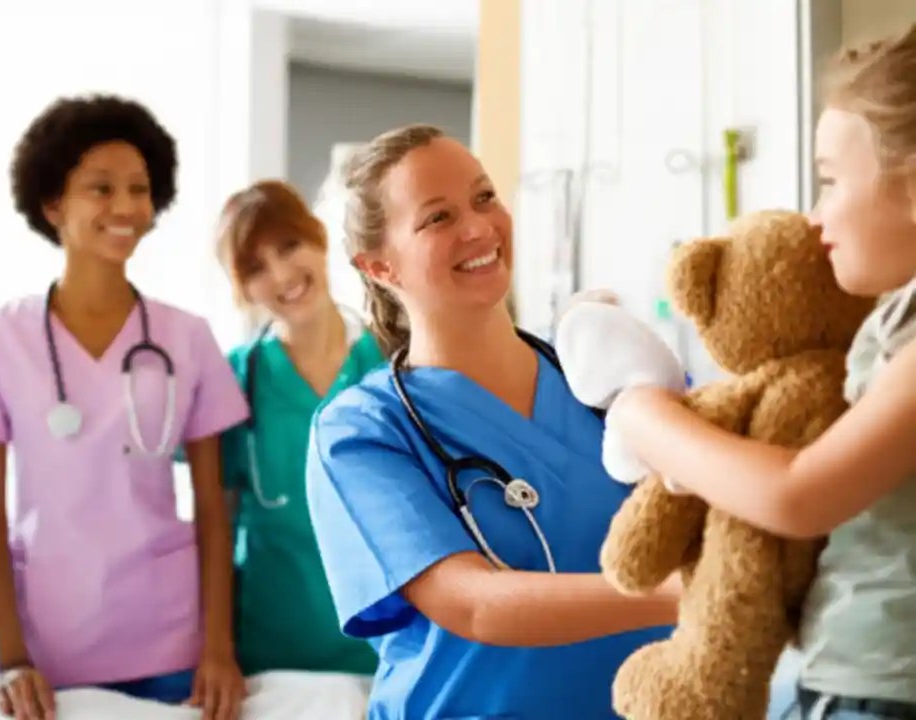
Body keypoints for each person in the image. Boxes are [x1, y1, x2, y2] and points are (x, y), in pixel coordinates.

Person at [303, 124, 680, 720]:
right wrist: (685, 594)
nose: (478, 228)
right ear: (379, 267)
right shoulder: (363, 432)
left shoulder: (599, 376)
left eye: (484, 198)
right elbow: (474, 604)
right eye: (437, 218)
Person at [602, 26, 916, 720]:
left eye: (831, 181)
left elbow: (799, 495)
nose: (815, 216)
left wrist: (645, 418)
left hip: (883, 687)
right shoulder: (893, 321)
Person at [0, 94, 249, 720]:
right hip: (48, 647)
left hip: (169, 641)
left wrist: (218, 647)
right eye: (100, 188)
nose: (126, 207)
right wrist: (11, 656)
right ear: (53, 204)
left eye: (139, 189)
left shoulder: (186, 337)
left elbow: (216, 508)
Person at [214, 180, 382, 679]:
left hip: (380, 650)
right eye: (256, 268)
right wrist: (217, 651)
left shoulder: (391, 364)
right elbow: (217, 532)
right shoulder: (235, 380)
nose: (282, 274)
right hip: (269, 656)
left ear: (319, 240)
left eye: (289, 247)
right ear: (243, 290)